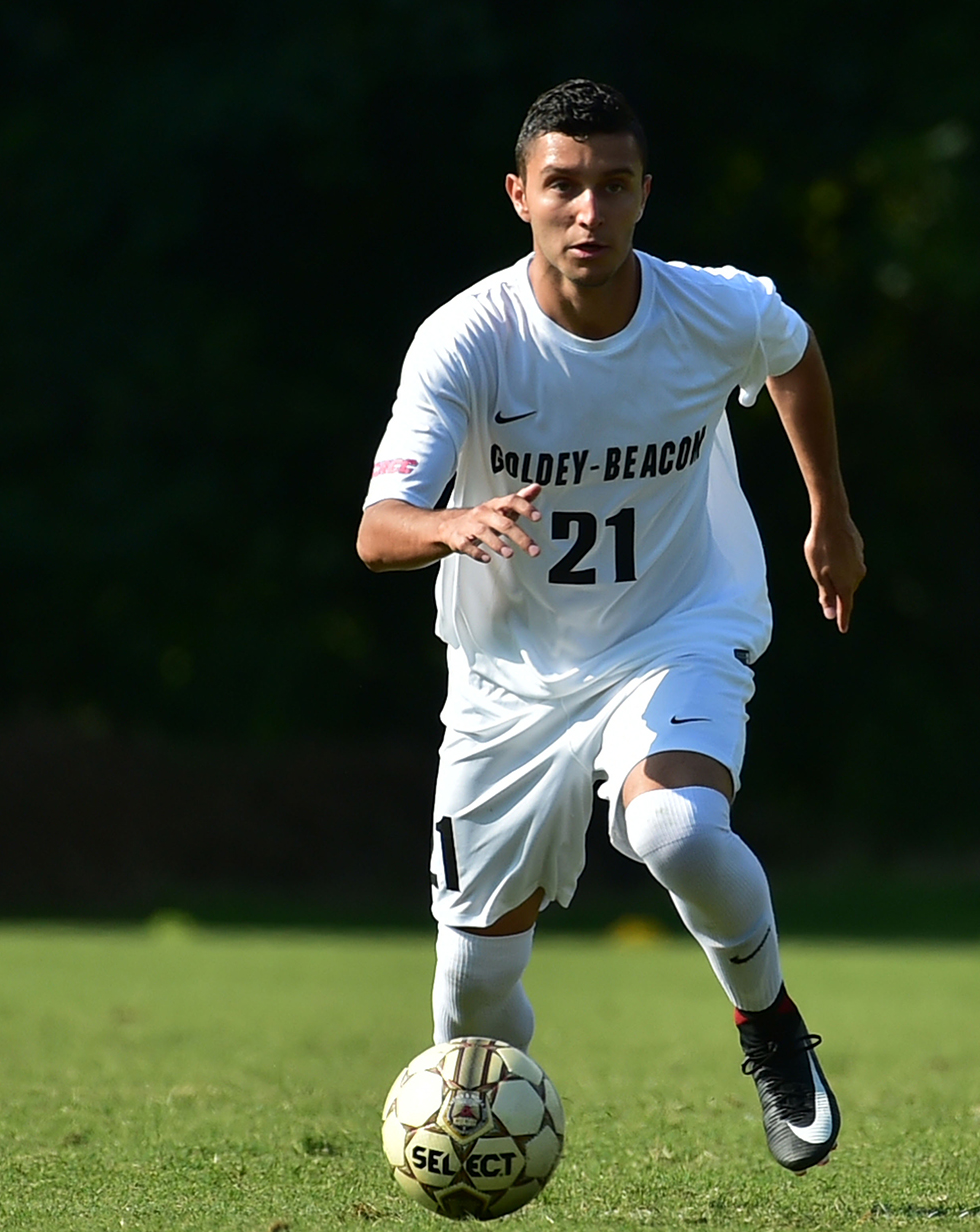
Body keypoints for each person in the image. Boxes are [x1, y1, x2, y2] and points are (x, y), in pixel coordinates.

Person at [356, 79, 864, 1174]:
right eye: (563, 186)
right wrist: (452, 525)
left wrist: (828, 512)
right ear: (519, 195)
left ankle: (770, 1024)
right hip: (509, 673)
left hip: (675, 628)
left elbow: (790, 349)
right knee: (471, 993)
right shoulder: (466, 340)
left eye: (614, 185)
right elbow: (376, 530)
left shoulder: (710, 309)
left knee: (677, 828)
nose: (589, 211)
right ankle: (479, 1141)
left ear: (643, 193)